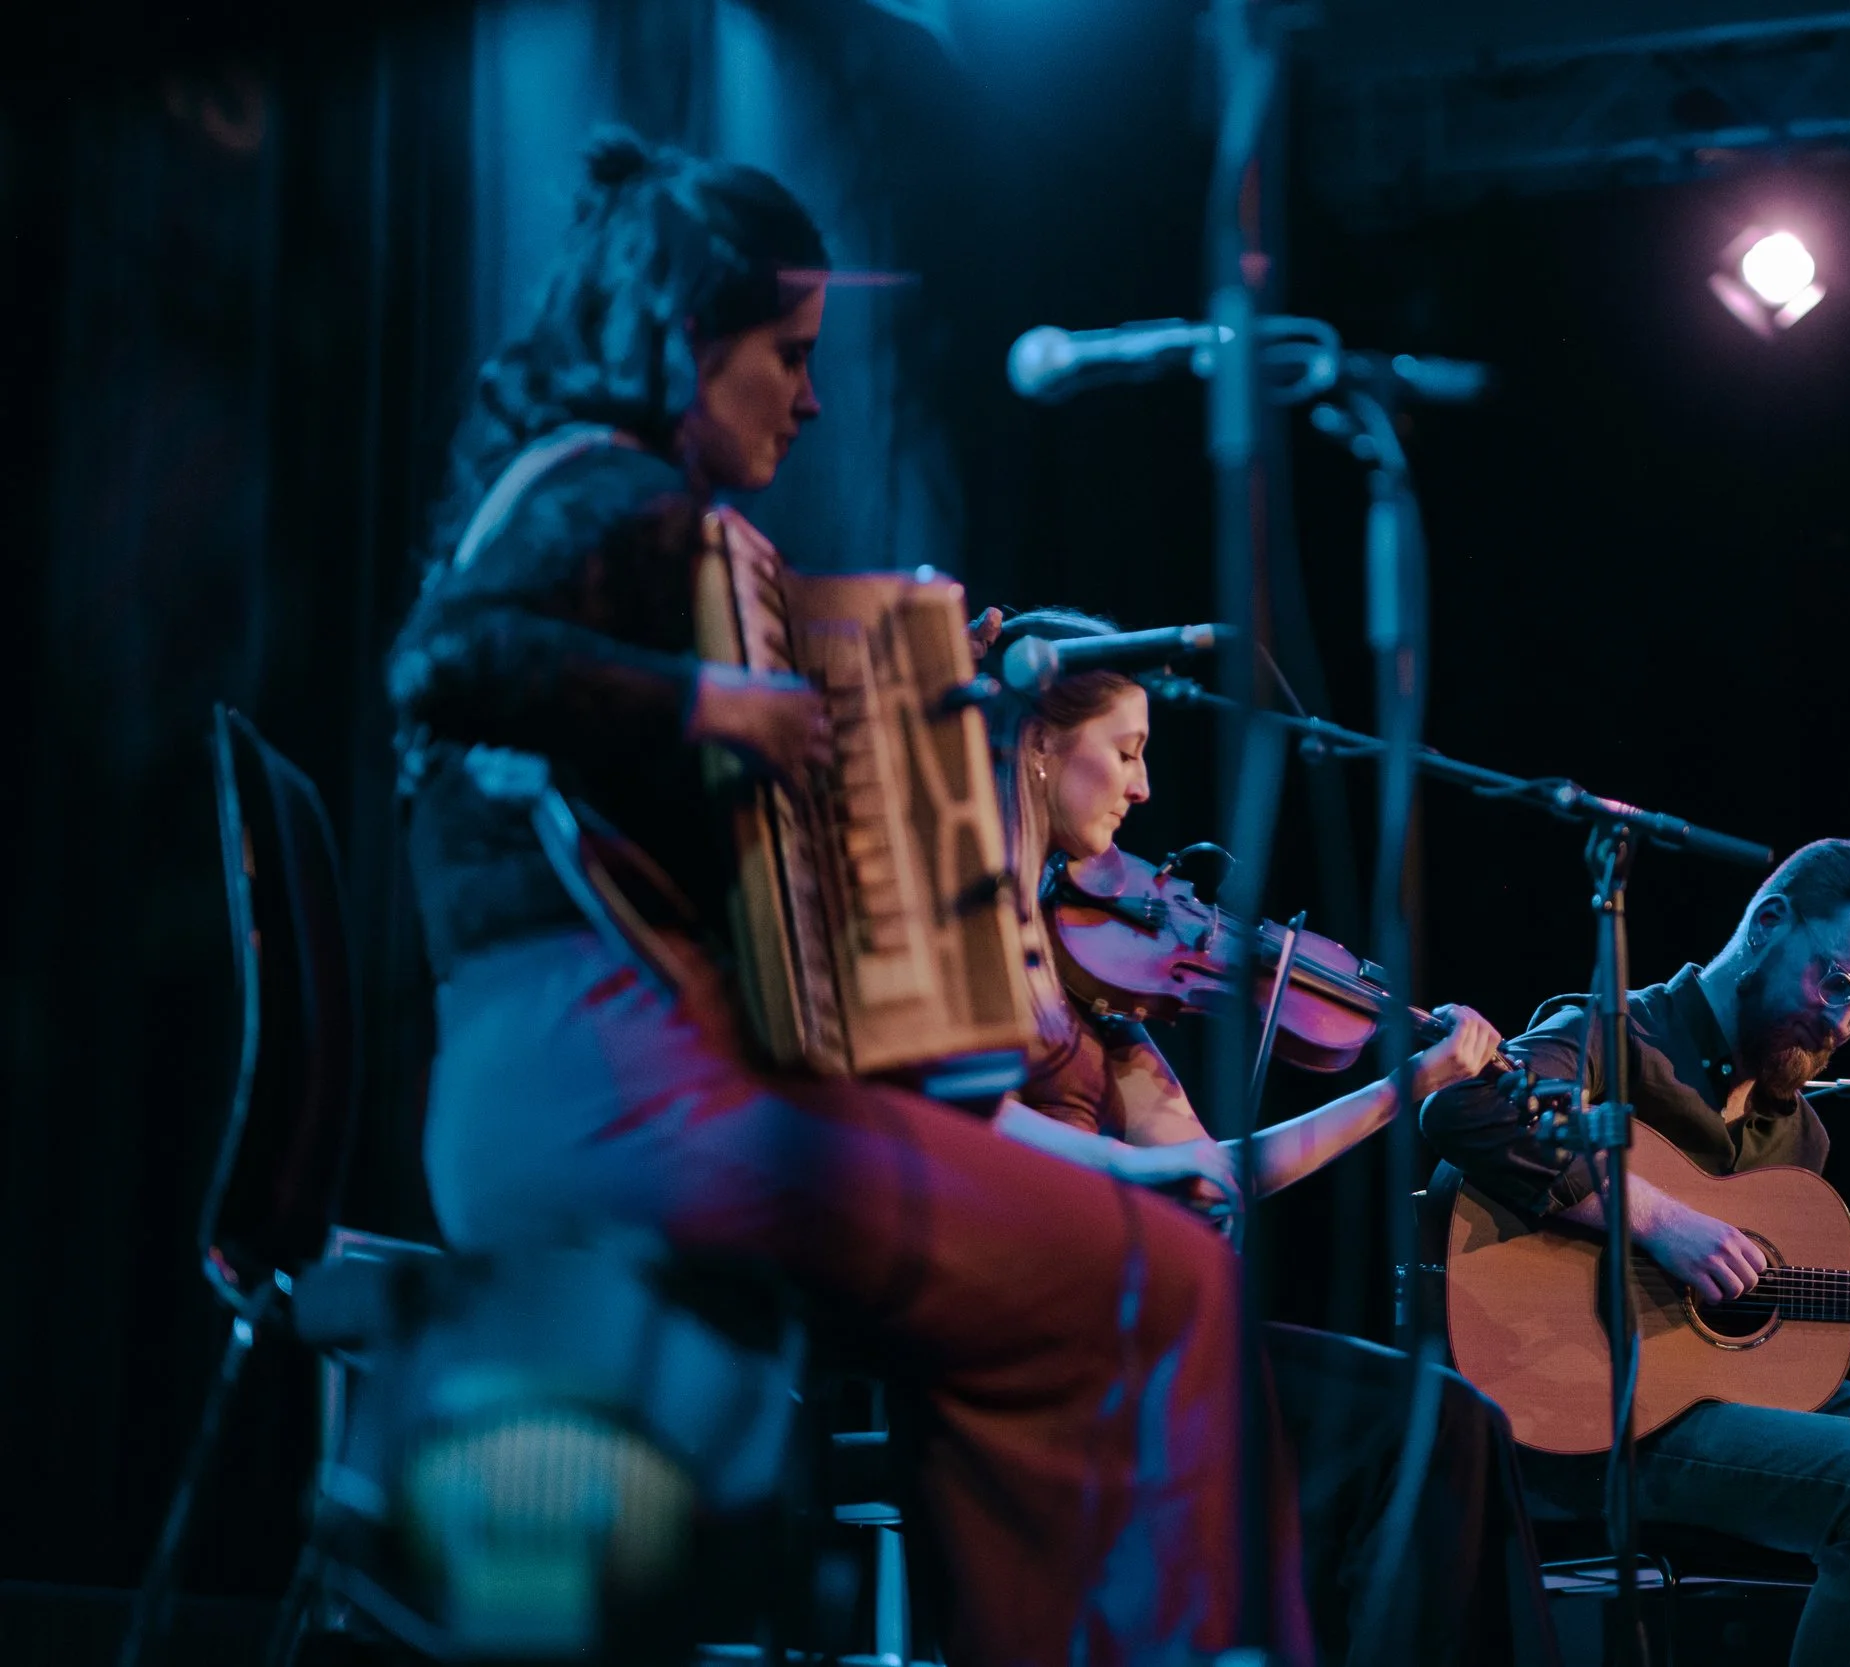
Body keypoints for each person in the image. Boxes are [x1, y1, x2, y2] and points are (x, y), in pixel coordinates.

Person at [390, 130, 1308, 1667]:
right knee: (1163, 1282)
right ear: (687, 342)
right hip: (618, 1098)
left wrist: (903, 712)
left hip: (567, 1088)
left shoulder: (602, 510)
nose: (813, 398)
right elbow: (442, 660)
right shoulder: (604, 488)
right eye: (789, 356)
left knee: (1072, 1292)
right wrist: (712, 704)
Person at [967, 606, 1561, 1667]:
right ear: (1039, 747)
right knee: (1413, 1435)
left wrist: (1401, 1074)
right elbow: (1187, 1178)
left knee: (1449, 1420)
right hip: (1054, 1339)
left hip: (1152, 1322)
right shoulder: (969, 954)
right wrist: (1403, 1084)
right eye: (1128, 751)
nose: (1146, 788)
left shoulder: (1099, 992)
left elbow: (1223, 1182)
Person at [1418, 838, 1850, 1667]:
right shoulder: (1621, 1034)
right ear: (1767, 927)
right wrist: (1654, 1216)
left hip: (1722, 1402)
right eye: (1835, 984)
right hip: (1589, 1405)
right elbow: (1466, 1104)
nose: (1840, 1021)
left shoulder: (1799, 1134)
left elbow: (1823, 1347)